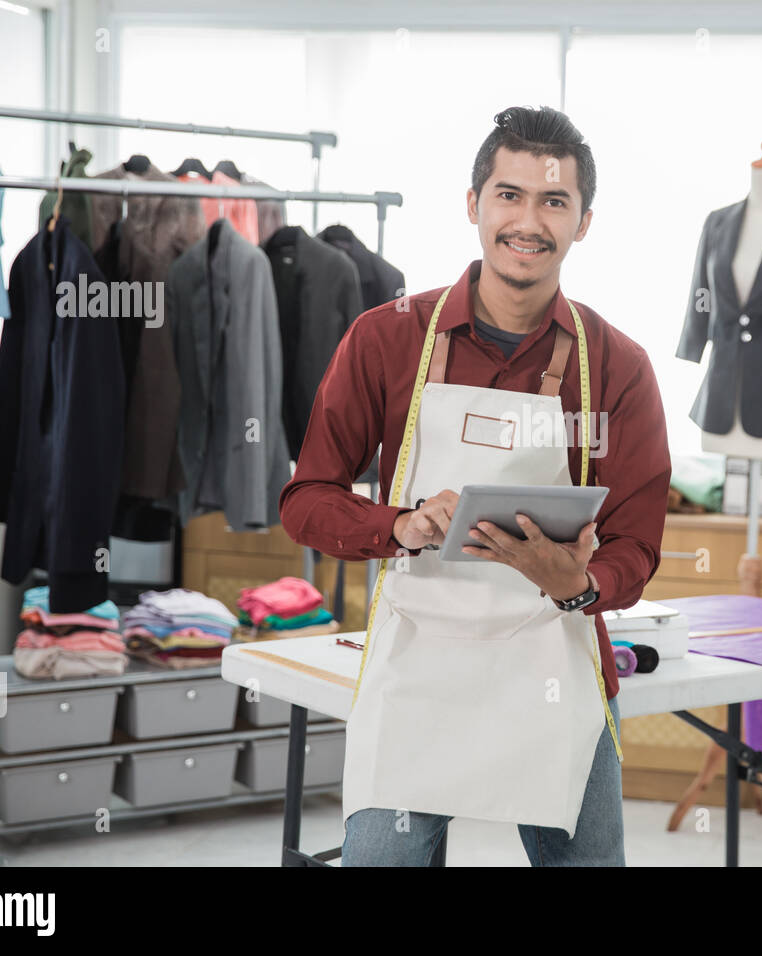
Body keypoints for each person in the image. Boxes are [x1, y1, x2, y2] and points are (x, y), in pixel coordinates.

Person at [279, 105, 671, 866]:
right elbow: (306, 500)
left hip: (551, 662)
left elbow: (638, 546)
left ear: (583, 220)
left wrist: (580, 585)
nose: (529, 221)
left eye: (554, 201)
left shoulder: (617, 364)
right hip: (422, 663)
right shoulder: (386, 336)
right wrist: (398, 525)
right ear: (473, 205)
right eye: (510, 195)